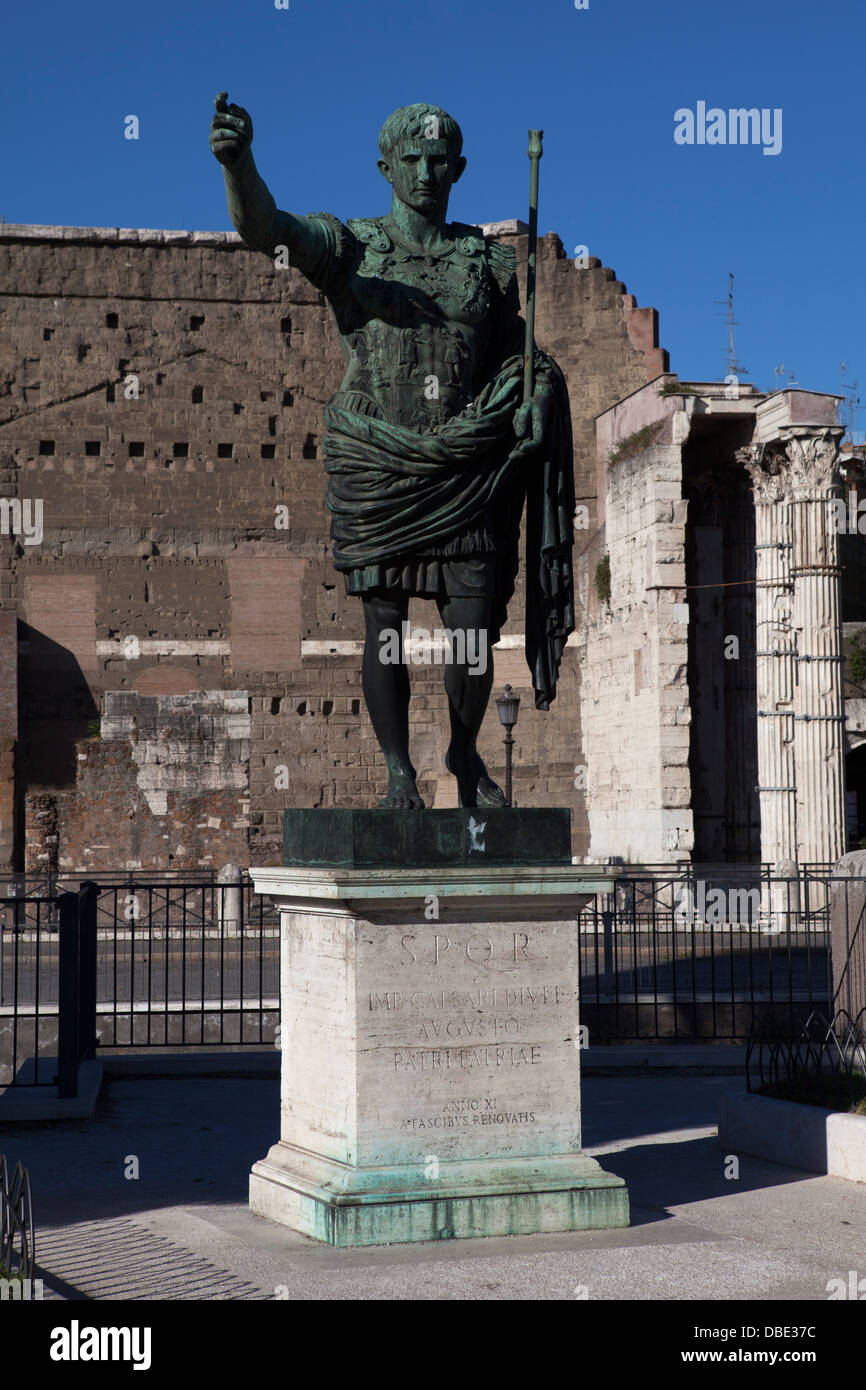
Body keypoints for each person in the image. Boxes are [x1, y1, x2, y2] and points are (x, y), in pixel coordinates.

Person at [210, 96, 574, 808]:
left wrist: (535, 400)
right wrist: (238, 164)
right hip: (378, 464)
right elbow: (265, 228)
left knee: (472, 629)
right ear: (385, 167)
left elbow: (519, 359)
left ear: (459, 168)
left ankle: (464, 756)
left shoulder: (491, 264)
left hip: (468, 468)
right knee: (385, 628)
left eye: (440, 160)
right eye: (411, 160)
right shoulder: (351, 249)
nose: (426, 171)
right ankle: (397, 773)